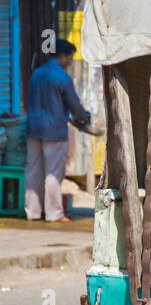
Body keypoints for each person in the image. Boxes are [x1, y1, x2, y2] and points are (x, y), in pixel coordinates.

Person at [25, 39, 97, 222]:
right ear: (63, 56)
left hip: (33, 129)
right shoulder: (62, 77)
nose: (71, 62)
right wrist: (85, 117)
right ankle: (54, 214)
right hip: (54, 131)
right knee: (53, 174)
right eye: (70, 58)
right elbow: (75, 106)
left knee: (33, 171)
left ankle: (32, 212)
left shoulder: (36, 73)